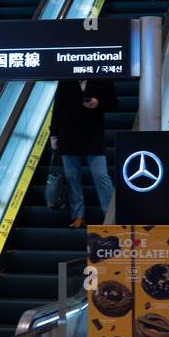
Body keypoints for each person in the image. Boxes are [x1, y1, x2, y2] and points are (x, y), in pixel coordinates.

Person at [50, 79, 117, 229]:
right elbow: (58, 107)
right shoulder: (66, 79)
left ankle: (111, 216)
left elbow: (113, 103)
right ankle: (78, 215)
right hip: (68, 135)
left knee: (101, 176)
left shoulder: (102, 78)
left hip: (93, 135)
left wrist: (98, 103)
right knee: (72, 177)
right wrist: (53, 134)